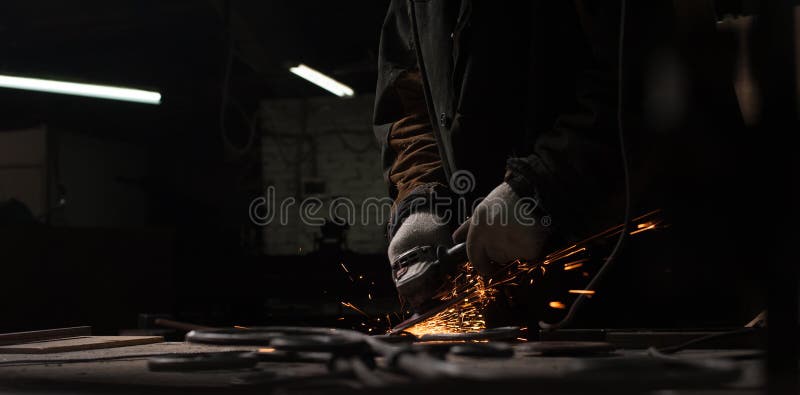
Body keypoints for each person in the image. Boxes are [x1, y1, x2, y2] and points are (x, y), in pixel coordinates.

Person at [373, 0, 757, 326]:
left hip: (657, 275)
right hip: (522, 293)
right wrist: (422, 202)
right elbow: (409, 100)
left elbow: (658, 64)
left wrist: (544, 187)